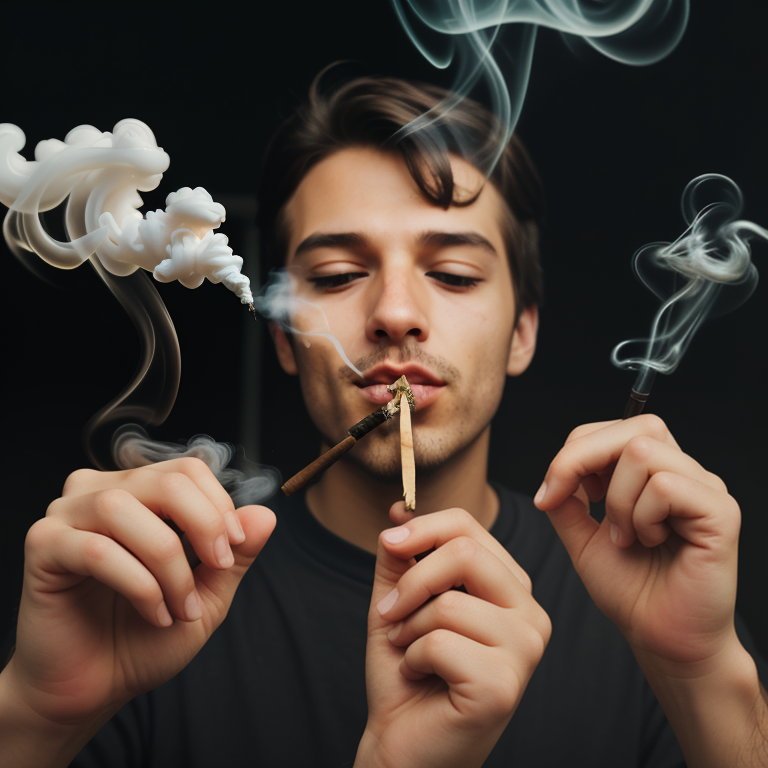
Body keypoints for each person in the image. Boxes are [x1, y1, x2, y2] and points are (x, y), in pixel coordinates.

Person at [1, 75, 766, 768]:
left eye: (453, 273)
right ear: (282, 338)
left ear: (523, 330)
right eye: (337, 275)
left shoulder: (630, 600)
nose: (396, 314)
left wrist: (701, 671)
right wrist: (35, 714)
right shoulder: (159, 598)